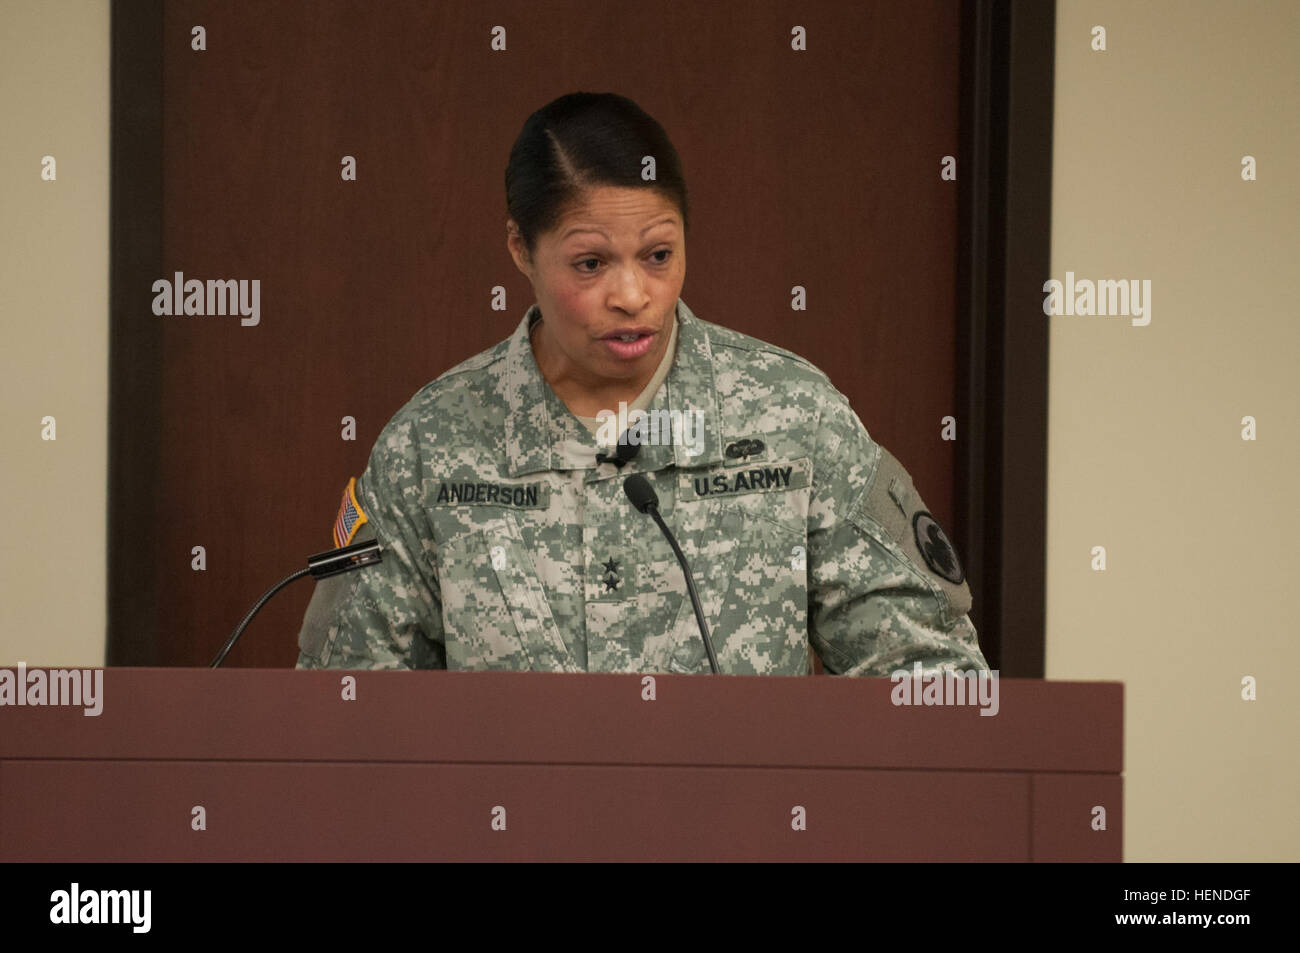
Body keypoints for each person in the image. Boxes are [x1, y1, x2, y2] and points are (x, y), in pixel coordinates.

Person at [295, 91, 989, 676]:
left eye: (659, 255)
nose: (633, 294)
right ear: (520, 250)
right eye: (591, 263)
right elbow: (343, 709)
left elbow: (932, 678)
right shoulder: (431, 445)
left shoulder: (793, 420)